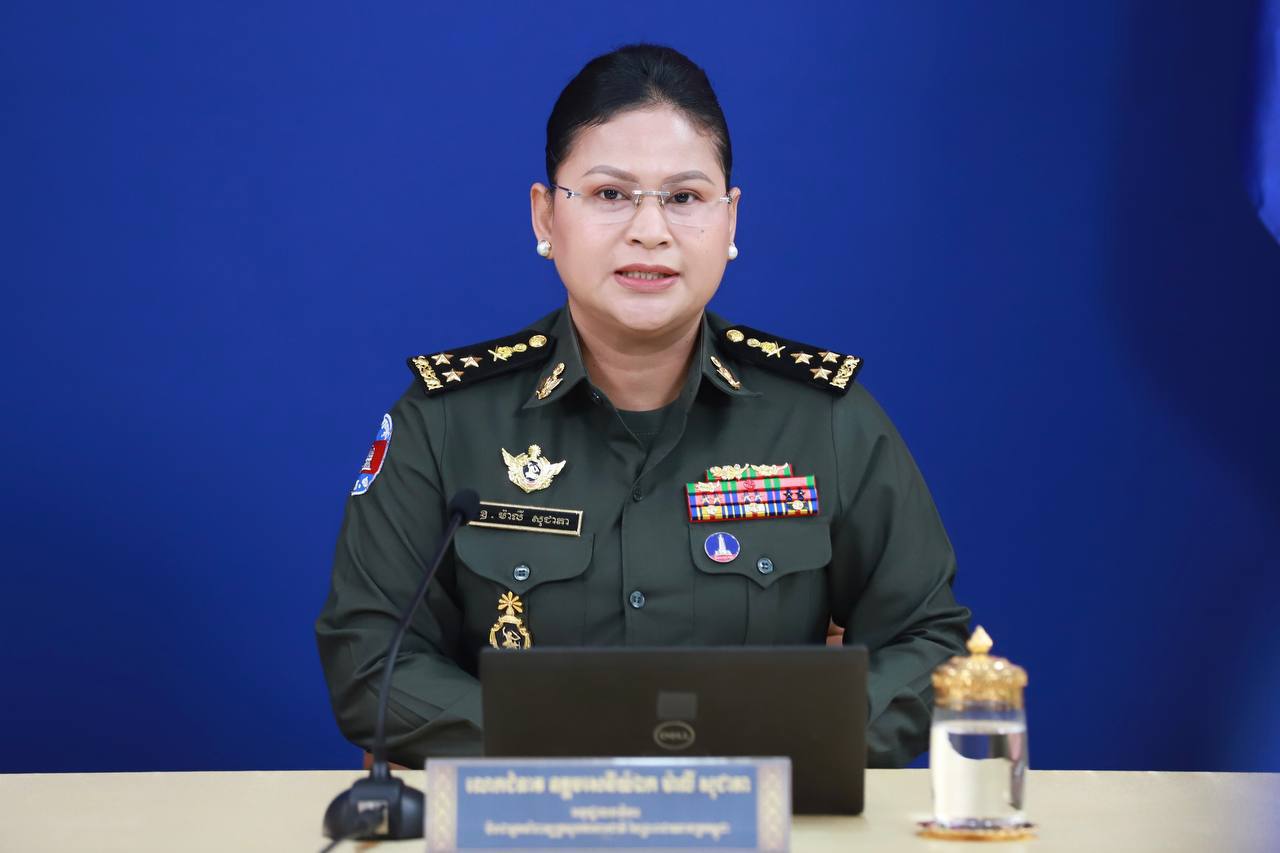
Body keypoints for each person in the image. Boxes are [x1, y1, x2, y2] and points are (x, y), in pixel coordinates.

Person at [315, 44, 970, 769]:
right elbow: (371, 659)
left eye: (684, 198)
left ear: (731, 220)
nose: (650, 230)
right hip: (528, 818)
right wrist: (579, 749)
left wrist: (784, 739)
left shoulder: (823, 418)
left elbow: (931, 642)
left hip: (760, 816)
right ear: (545, 216)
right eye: (609, 194)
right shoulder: (445, 421)